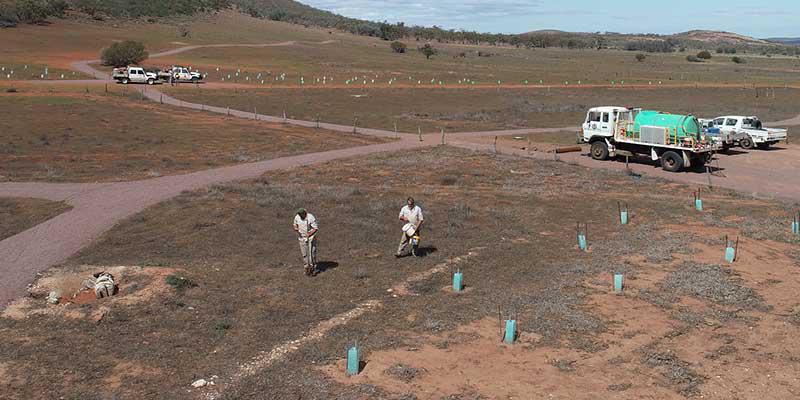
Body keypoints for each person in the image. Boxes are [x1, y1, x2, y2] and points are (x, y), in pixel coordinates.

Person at [293, 208, 318, 276]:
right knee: (304, 254)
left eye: (302, 214)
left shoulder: (310, 217)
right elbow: (295, 224)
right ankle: (306, 268)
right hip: (301, 238)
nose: (301, 216)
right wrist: (296, 228)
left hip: (310, 238)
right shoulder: (297, 217)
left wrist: (309, 234)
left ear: (305, 213)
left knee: (311, 254)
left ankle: (313, 269)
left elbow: (315, 228)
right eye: (300, 215)